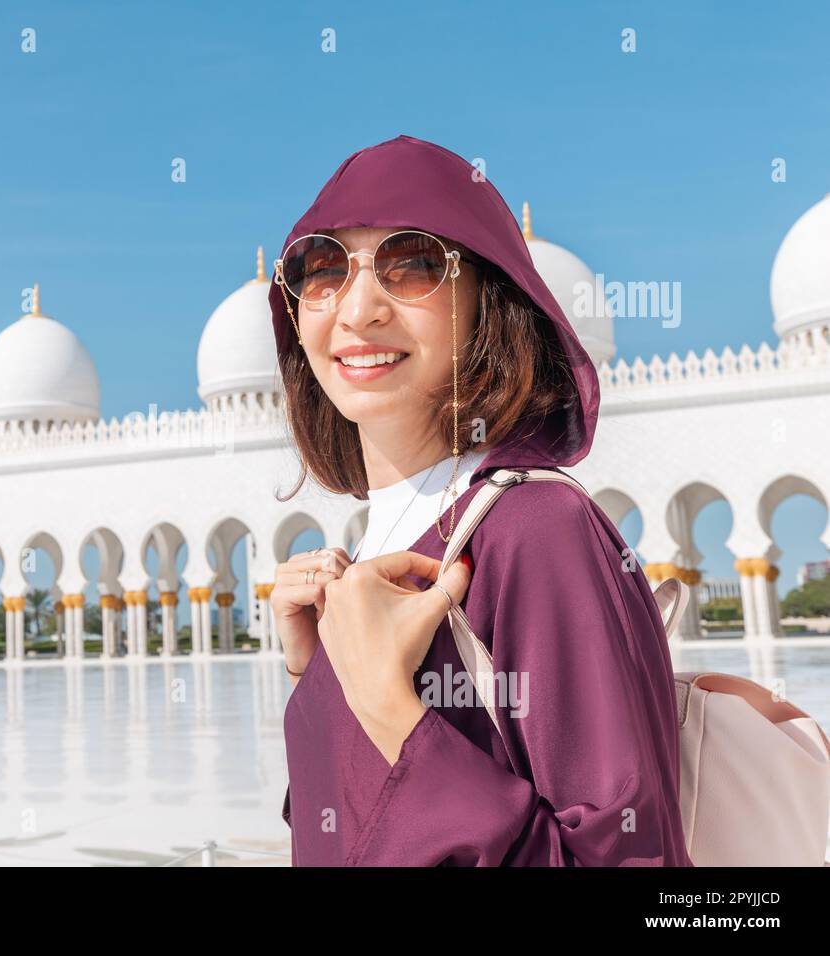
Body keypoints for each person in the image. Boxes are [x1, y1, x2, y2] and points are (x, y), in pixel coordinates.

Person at [269, 135, 690, 866]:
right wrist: (321, 680)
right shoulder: (385, 539)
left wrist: (389, 711)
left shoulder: (537, 529)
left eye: (412, 267)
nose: (358, 308)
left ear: (486, 301)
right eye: (323, 270)